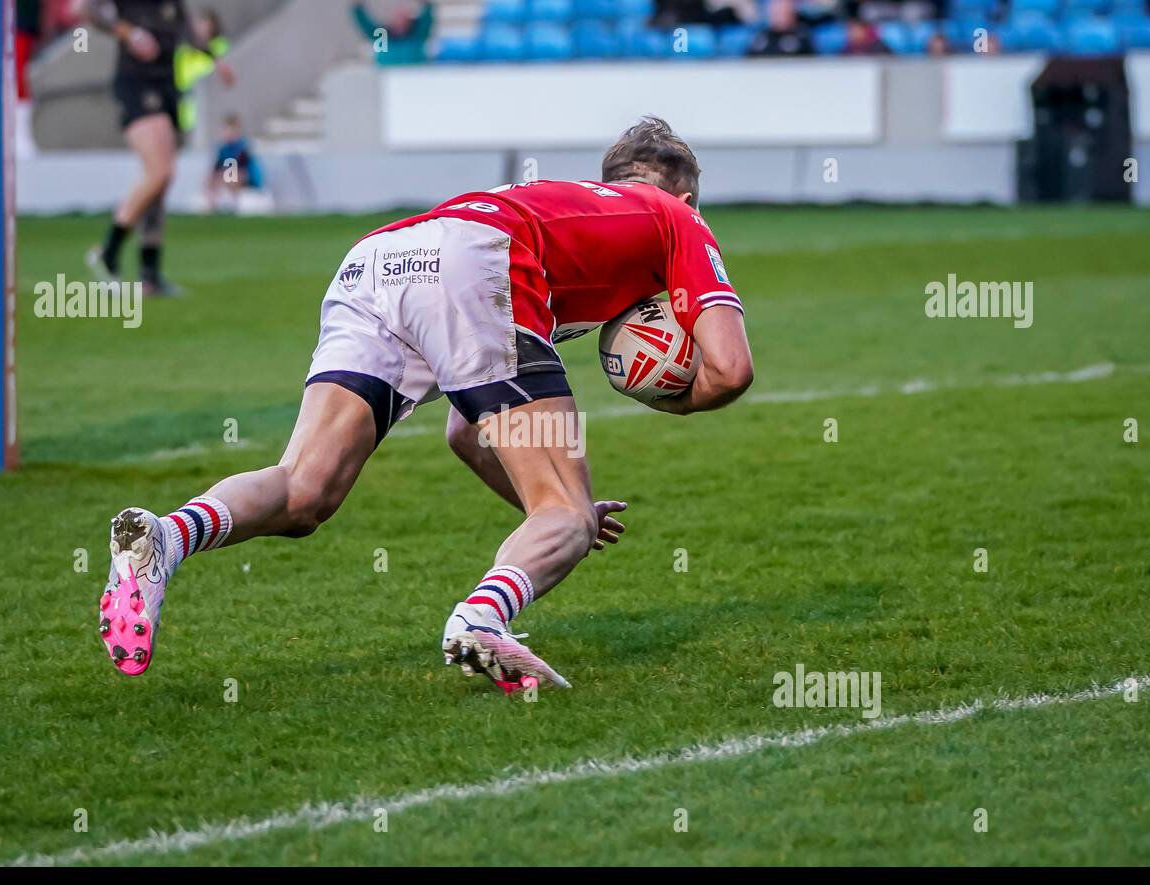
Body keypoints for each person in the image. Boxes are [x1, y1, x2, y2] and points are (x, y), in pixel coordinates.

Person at [96, 117, 754, 691]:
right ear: (688, 196)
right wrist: (585, 496)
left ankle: (164, 537)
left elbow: (466, 436)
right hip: (477, 264)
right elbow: (730, 370)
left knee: (304, 492)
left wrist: (550, 507)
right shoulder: (677, 219)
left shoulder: (566, 208)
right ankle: (479, 621)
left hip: (382, 256)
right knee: (567, 515)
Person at [81, 0, 235, 296]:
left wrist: (215, 60)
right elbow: (87, 9)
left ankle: (150, 274)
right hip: (137, 85)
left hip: (166, 87)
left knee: (162, 182)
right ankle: (107, 253)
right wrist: (127, 32)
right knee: (159, 172)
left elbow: (186, 30)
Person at [205, 114, 264, 211]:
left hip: (249, 179)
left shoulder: (243, 147)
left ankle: (235, 204)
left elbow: (243, 169)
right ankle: (212, 205)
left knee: (232, 177)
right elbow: (216, 168)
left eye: (231, 130)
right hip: (230, 177)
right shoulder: (223, 149)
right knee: (213, 178)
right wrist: (212, 179)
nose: (228, 133)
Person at [352, 1, 434, 66]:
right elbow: (365, 23)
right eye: (397, 18)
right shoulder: (382, 37)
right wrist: (357, 6)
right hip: (387, 79)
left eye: (403, 19)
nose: (400, 22)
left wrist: (425, 3)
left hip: (413, 78)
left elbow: (428, 17)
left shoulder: (418, 35)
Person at [748, 0, 815, 55]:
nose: (779, 16)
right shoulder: (761, 37)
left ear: (792, 13)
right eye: (776, 12)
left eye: (783, 11)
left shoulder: (802, 37)